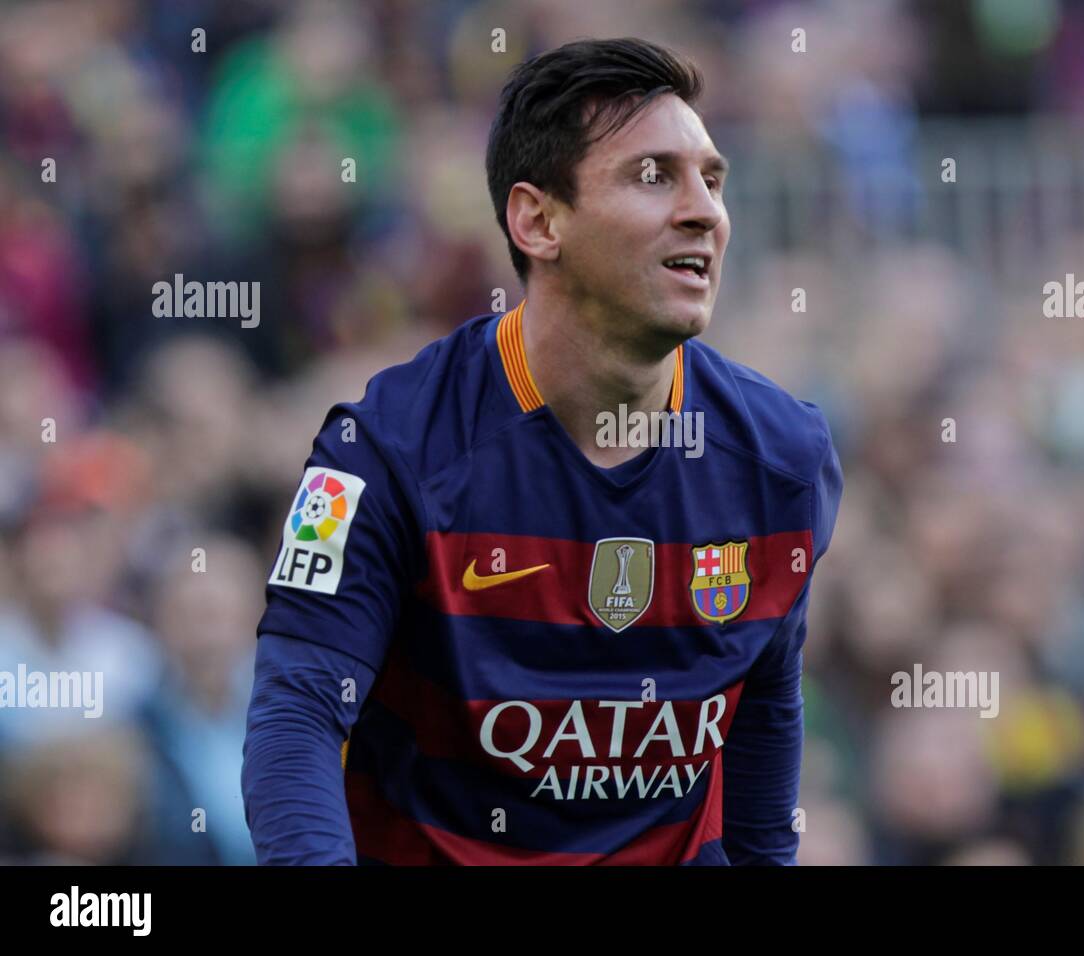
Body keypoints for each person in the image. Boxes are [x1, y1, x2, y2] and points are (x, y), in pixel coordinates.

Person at [242, 37, 841, 865]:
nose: (705, 209)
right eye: (654, 175)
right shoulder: (378, 454)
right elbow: (297, 715)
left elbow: (764, 712)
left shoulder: (784, 459)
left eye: (712, 177)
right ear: (538, 220)